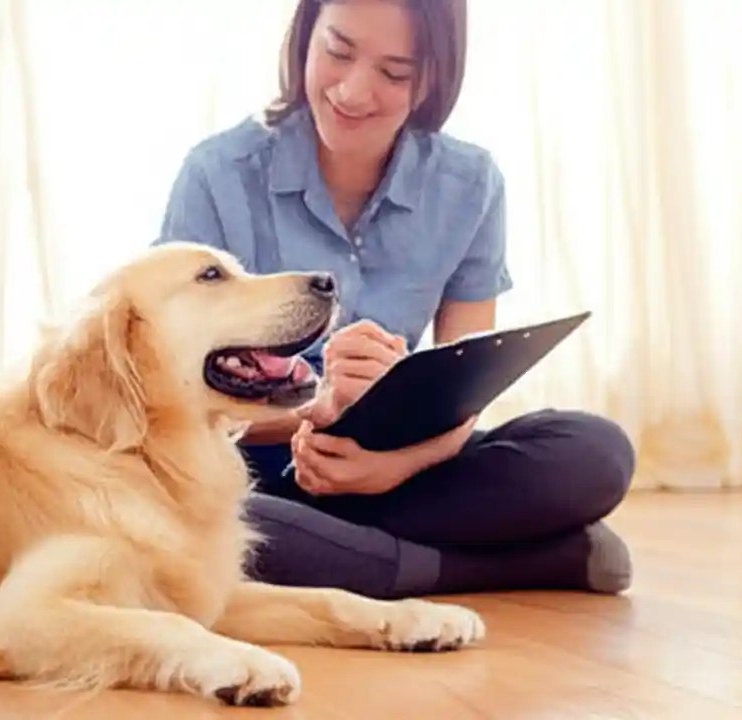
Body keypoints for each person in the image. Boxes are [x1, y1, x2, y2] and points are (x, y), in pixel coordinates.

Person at [155, 0, 634, 600]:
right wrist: (314, 408)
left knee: (598, 453)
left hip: (409, 466)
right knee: (213, 519)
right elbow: (173, 398)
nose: (354, 91)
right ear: (306, 34)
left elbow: (467, 389)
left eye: (395, 71)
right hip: (262, 469)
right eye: (338, 51)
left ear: (434, 75)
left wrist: (395, 468)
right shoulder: (218, 174)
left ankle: (355, 554)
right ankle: (518, 563)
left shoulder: (471, 185)